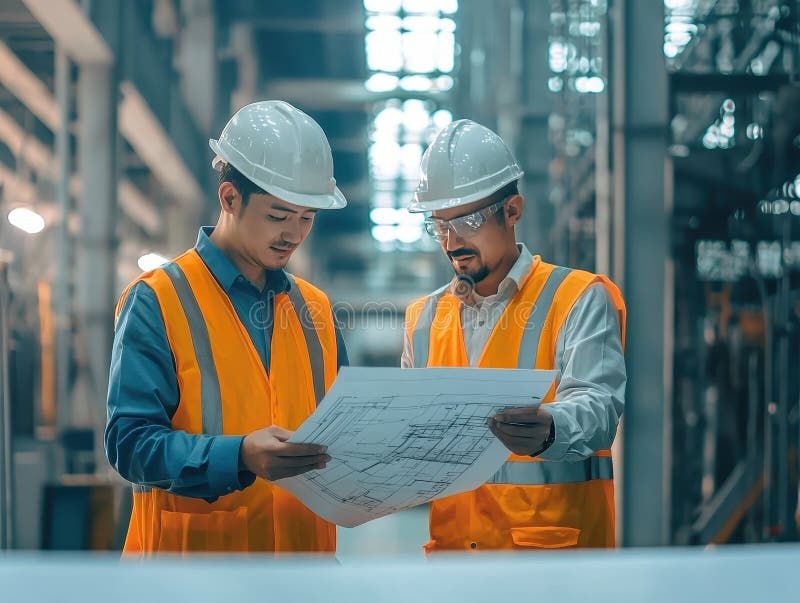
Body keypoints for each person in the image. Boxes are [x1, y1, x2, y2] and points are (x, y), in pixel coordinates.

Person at [105, 100, 349, 555]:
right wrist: (237, 456)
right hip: (193, 579)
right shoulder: (158, 300)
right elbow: (129, 443)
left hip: (303, 577)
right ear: (230, 198)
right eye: (278, 215)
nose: (294, 235)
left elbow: (347, 429)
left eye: (307, 218)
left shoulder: (315, 310)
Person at [403, 119, 627, 551]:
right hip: (455, 569)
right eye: (438, 225)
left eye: (466, 221)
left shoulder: (578, 297)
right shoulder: (423, 318)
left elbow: (599, 410)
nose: (451, 242)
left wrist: (549, 427)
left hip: (551, 569)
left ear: (513, 211)